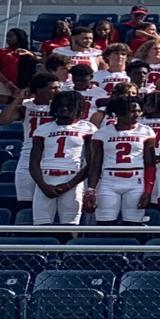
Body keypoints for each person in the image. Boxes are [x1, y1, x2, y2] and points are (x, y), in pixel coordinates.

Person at [85, 95, 157, 226]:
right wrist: (91, 189)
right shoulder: (102, 133)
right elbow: (96, 164)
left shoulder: (146, 131)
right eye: (132, 111)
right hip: (108, 180)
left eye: (138, 111)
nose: (137, 114)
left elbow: (150, 164)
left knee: (133, 224)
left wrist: (148, 191)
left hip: (136, 180)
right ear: (119, 112)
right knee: (105, 224)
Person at [27, 90, 96, 226]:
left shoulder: (88, 128)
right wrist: (43, 185)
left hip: (72, 179)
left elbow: (92, 163)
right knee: (41, 226)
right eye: (60, 105)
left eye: (69, 105)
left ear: (78, 107)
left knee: (70, 226)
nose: (64, 109)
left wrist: (69, 185)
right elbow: (33, 162)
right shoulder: (43, 129)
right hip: (45, 180)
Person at [0, 73, 59, 209]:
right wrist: (18, 98)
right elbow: (1, 121)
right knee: (25, 204)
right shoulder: (25, 107)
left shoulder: (60, 107)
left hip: (52, 157)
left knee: (50, 203)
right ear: (39, 89)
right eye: (52, 88)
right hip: (28, 156)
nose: (57, 91)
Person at [0, 28, 36, 104]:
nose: (8, 39)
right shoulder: (0, 52)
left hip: (23, 85)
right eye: (7, 37)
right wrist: (8, 83)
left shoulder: (29, 53)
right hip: (3, 83)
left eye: (10, 36)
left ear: (19, 37)